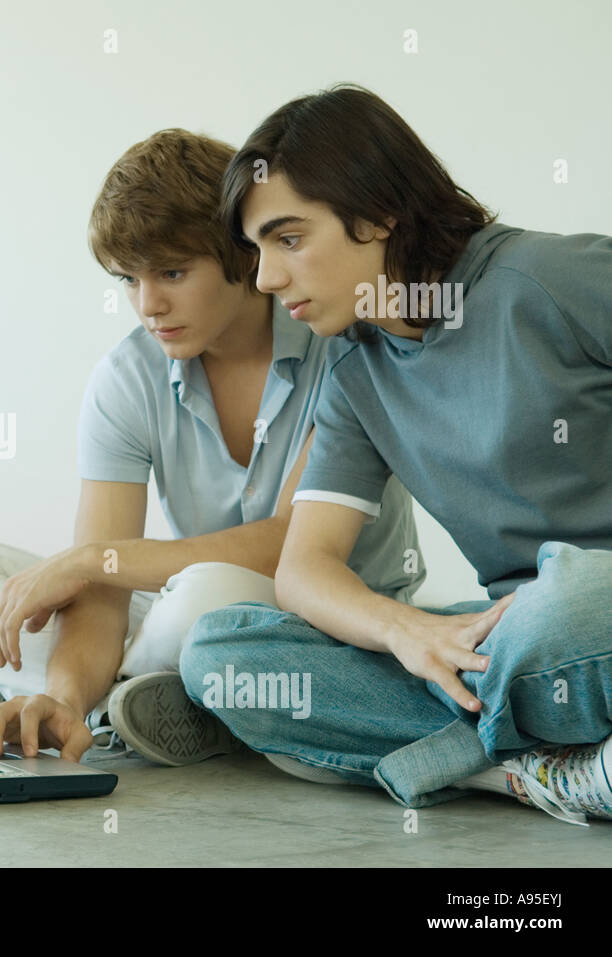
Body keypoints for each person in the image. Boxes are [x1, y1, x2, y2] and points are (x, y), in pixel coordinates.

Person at [0, 129, 423, 771]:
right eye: (128, 280)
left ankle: (104, 699)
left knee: (203, 596)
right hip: (184, 605)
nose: (149, 305)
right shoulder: (127, 378)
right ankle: (110, 707)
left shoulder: (334, 342)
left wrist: (90, 561)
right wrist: (66, 677)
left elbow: (290, 543)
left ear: (241, 255)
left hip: (324, 622)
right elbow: (103, 591)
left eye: (172, 273)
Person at [182, 83, 612, 826]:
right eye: (255, 251)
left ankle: (482, 754)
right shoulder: (355, 371)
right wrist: (403, 630)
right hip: (511, 636)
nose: (266, 278)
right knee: (220, 654)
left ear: (379, 212)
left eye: (288, 239)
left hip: (583, 618)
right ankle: (536, 765)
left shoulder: (554, 280)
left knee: (569, 606)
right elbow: (304, 567)